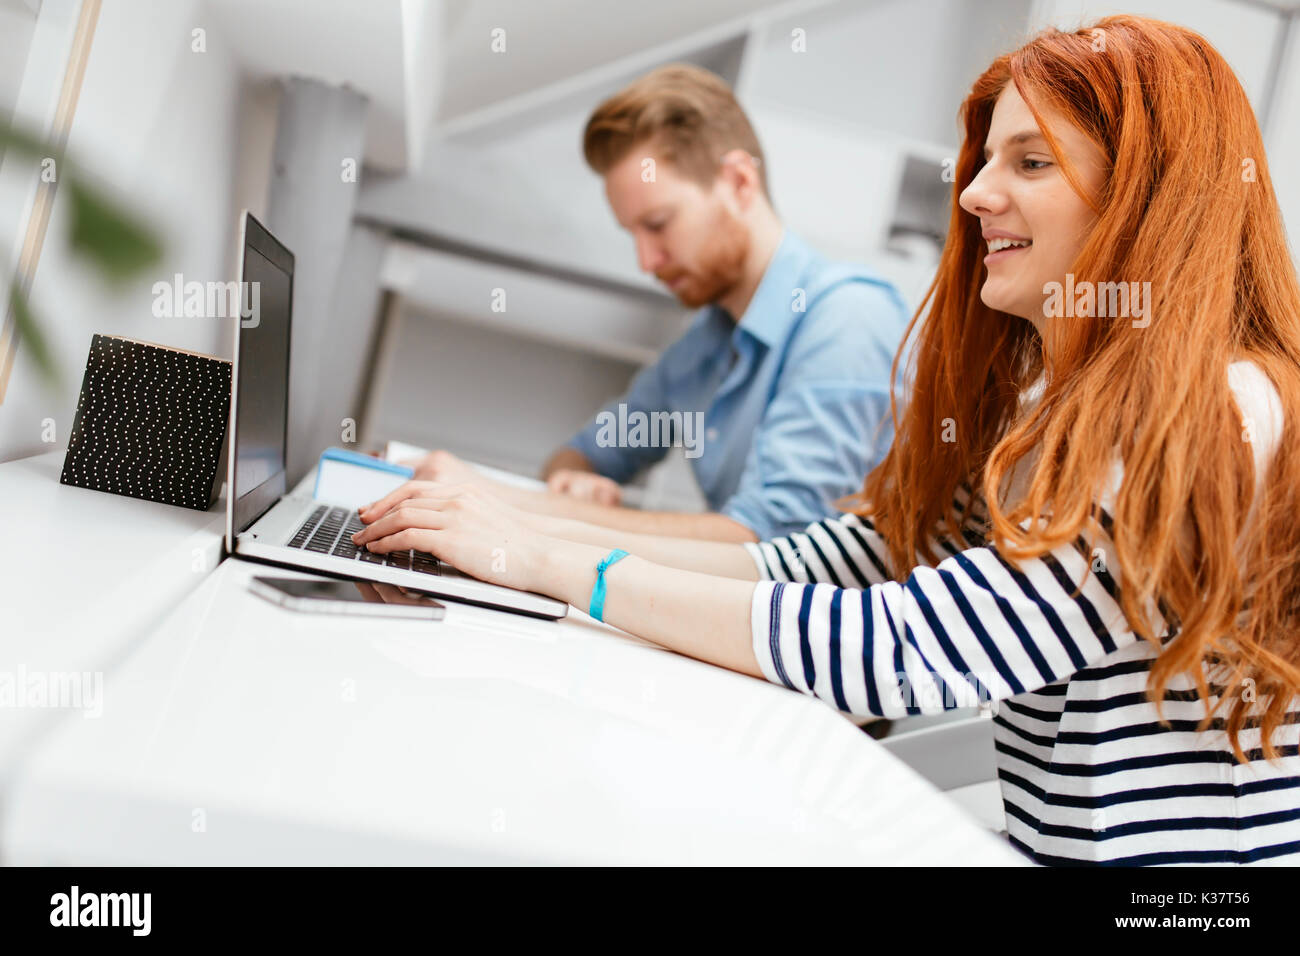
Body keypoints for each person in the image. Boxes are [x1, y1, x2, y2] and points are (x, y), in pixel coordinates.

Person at [352, 16, 1300, 865]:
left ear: (1147, 191)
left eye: (1031, 161)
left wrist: (554, 564)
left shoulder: (1221, 406)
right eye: (985, 161)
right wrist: (540, 547)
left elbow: (924, 642)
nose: (973, 195)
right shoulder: (1050, 400)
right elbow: (875, 555)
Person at [404, 64, 908, 542]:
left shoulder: (848, 319)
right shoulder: (702, 350)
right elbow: (582, 454)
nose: (646, 260)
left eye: (659, 223)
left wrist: (508, 503)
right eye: (632, 234)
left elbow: (772, 542)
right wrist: (574, 483)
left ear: (738, 183)